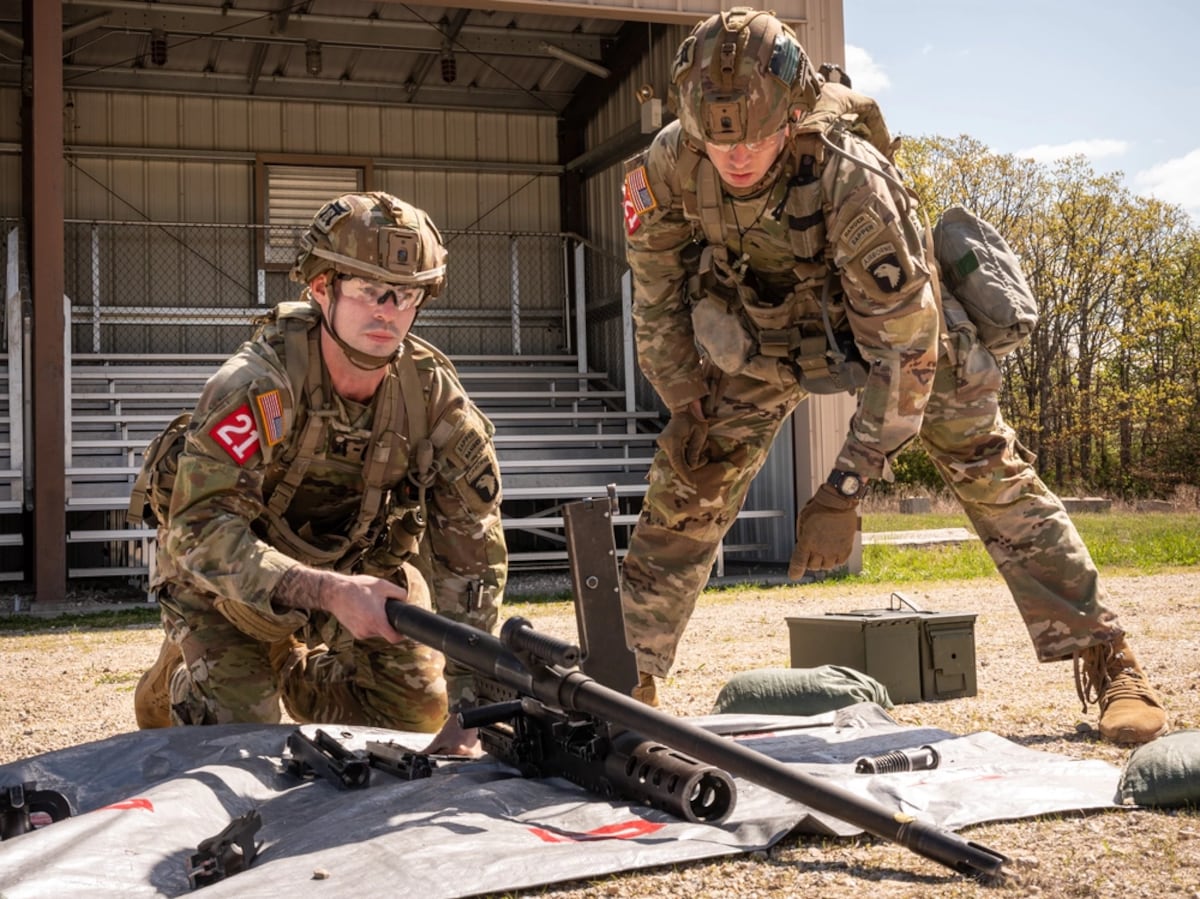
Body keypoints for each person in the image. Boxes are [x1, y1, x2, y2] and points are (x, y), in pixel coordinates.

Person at [618, 7, 1167, 744]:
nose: (737, 156)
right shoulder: (666, 163)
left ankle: (1110, 658)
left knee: (988, 466)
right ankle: (629, 677)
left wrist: (845, 487)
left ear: (792, 113)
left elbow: (907, 350)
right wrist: (686, 402)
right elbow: (654, 292)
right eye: (719, 141)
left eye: (753, 137)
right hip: (767, 330)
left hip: (895, 332)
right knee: (688, 475)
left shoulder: (854, 181)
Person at [131, 191, 507, 755]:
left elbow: (473, 560)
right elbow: (197, 532)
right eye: (368, 291)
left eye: (406, 296)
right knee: (244, 735)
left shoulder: (435, 402)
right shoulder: (256, 385)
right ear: (321, 287)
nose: (388, 310)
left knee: (419, 715)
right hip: (229, 587)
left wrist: (471, 712)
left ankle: (291, 670)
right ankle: (180, 678)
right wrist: (329, 592)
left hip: (356, 576)